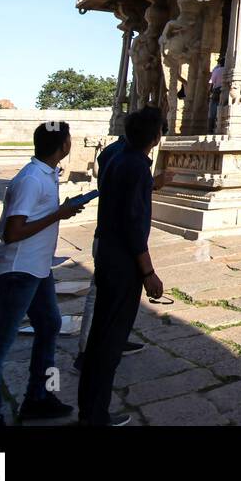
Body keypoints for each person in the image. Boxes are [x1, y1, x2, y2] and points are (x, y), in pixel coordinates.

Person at [0, 121, 83, 425]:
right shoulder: (32, 179)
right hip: (16, 274)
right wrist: (58, 214)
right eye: (68, 139)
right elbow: (11, 232)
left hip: (36, 270)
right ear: (63, 146)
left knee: (49, 326)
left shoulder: (47, 174)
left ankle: (39, 396)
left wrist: (59, 211)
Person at [77, 107, 166, 426]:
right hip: (123, 261)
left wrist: (151, 184)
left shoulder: (116, 157)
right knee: (110, 341)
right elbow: (133, 226)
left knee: (102, 333)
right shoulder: (137, 168)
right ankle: (95, 415)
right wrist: (148, 273)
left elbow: (122, 195)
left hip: (106, 252)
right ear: (156, 138)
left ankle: (90, 408)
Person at [207, 56, 225, 133]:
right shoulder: (227, 70)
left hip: (217, 90)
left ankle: (210, 129)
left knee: (213, 110)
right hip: (225, 90)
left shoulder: (217, 70)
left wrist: (209, 92)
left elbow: (211, 82)